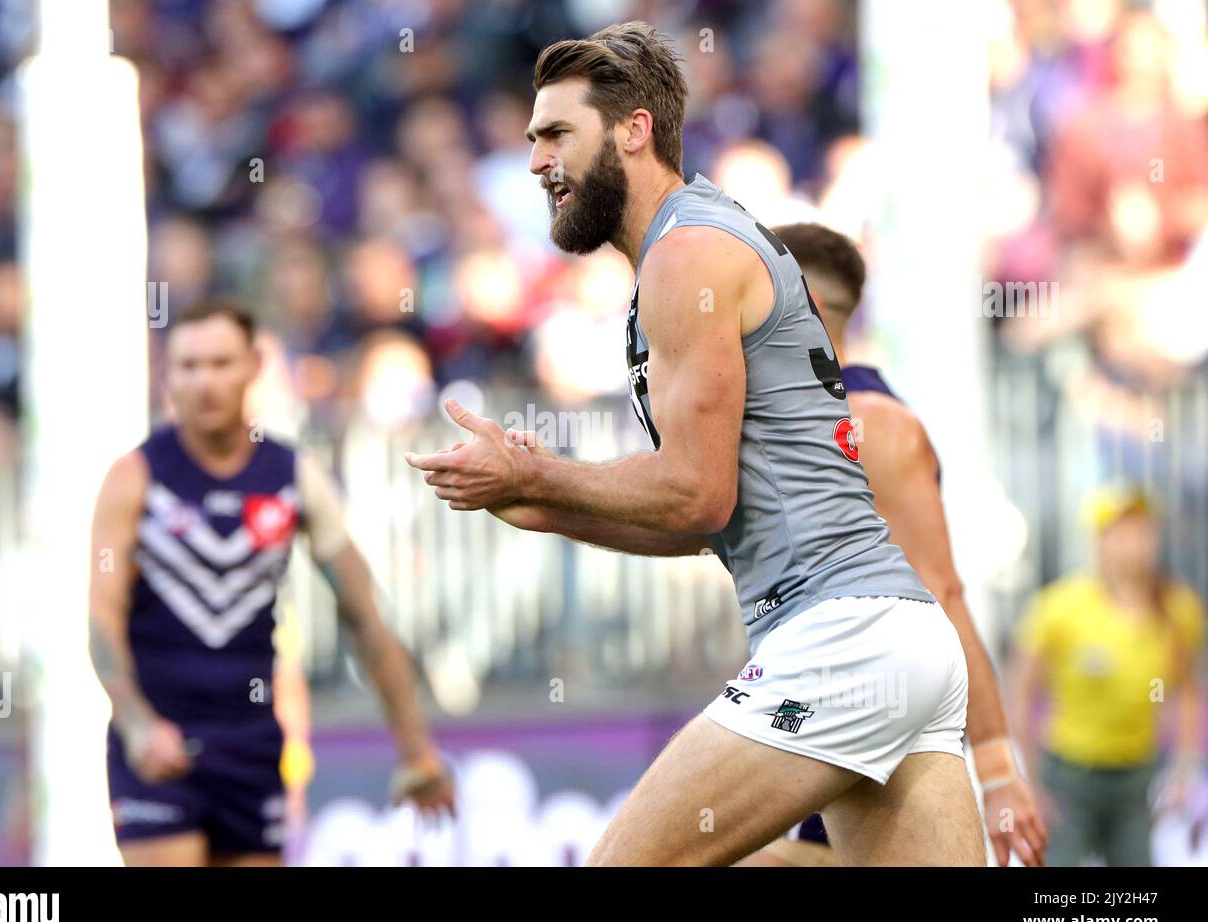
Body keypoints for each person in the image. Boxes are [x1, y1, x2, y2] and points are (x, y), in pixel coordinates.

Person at [405, 22, 984, 866]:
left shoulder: (686, 256)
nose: (535, 161)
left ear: (634, 130)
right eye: (533, 138)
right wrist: (538, 502)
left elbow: (695, 494)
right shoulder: (687, 251)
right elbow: (702, 517)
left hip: (839, 639)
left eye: (557, 133)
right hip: (901, 645)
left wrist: (537, 471)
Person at [89, 299, 454, 866]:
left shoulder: (293, 478)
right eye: (189, 366)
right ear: (168, 374)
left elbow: (365, 618)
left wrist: (417, 752)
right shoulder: (134, 478)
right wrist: (136, 725)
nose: (205, 382)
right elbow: (101, 620)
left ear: (253, 367)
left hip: (252, 744)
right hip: (159, 743)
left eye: (220, 363)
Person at [734, 223, 1047, 867]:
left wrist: (996, 768)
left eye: (748, 299)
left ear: (803, 308)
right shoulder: (797, 420)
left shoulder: (874, 427)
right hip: (825, 713)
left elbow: (944, 590)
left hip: (875, 725)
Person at [1008, 487, 1204, 866]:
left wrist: (1185, 768)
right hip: (1069, 776)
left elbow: (1189, 691)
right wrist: (1027, 782)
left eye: (1143, 530)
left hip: (1137, 776)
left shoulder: (1179, 609)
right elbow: (1020, 692)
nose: (1135, 543)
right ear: (1099, 541)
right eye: (1122, 531)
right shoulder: (1060, 608)